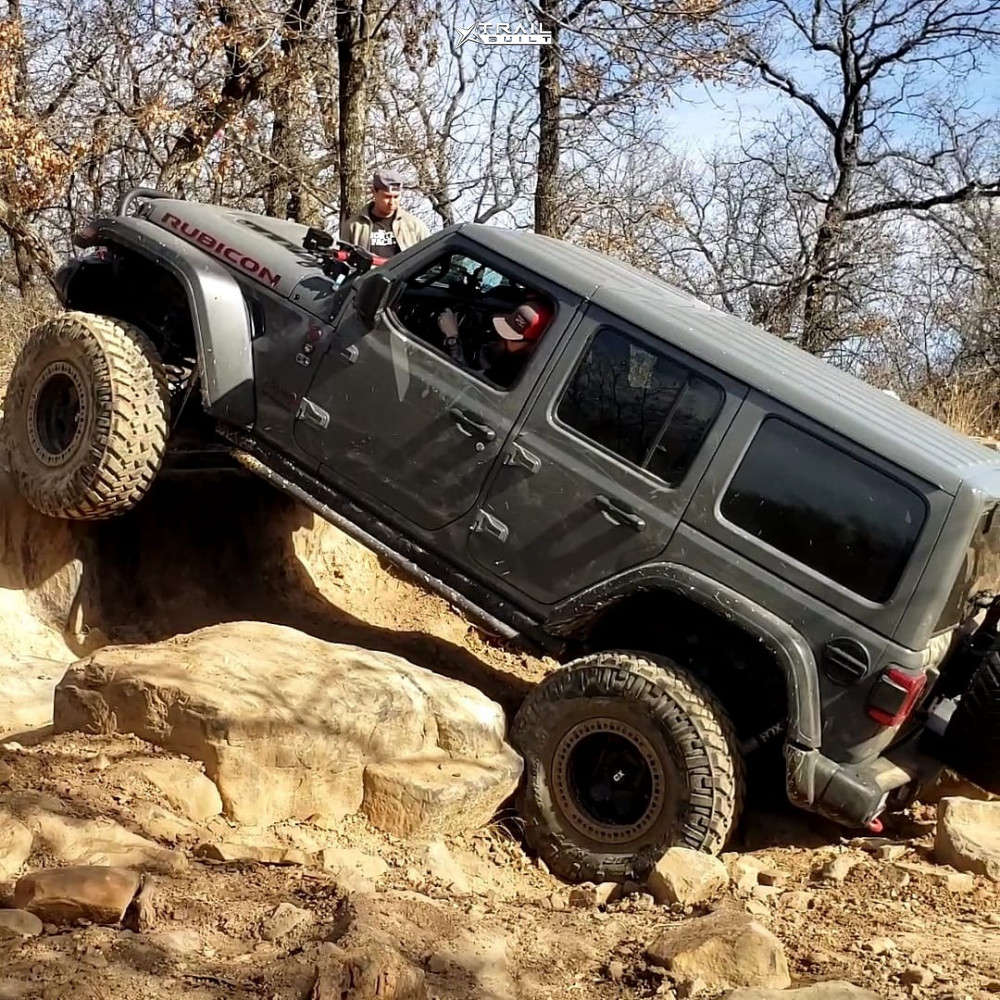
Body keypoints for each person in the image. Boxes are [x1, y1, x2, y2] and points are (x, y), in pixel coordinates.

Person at [437, 299, 552, 387]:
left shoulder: (519, 374)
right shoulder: (505, 352)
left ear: (534, 345)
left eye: (513, 339)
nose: (503, 340)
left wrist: (452, 337)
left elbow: (464, 384)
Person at [341, 168, 430, 258]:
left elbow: (427, 257)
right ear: (374, 192)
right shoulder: (354, 226)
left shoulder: (414, 226)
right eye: (387, 197)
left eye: (396, 197)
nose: (392, 202)